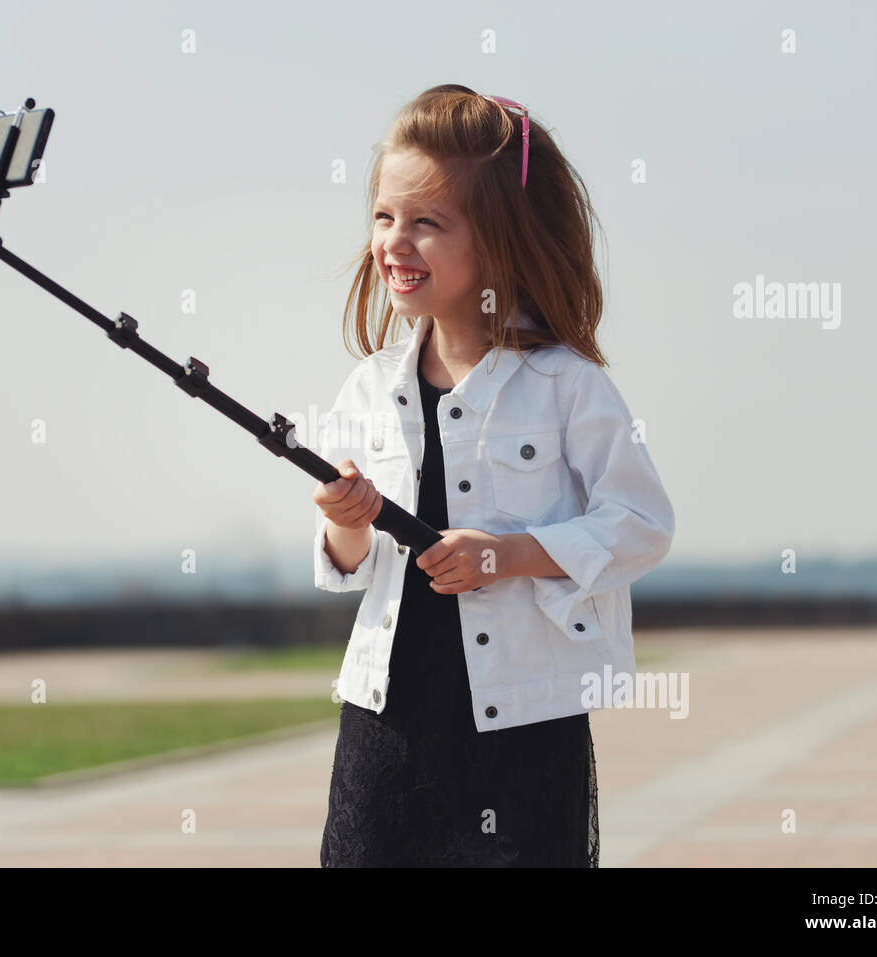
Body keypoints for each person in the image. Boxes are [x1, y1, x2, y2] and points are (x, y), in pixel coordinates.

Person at [310, 84, 676, 867]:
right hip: (384, 728)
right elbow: (347, 565)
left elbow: (642, 525)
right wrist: (345, 519)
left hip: (522, 735)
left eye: (427, 222)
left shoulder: (566, 384)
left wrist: (507, 555)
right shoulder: (368, 388)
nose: (394, 242)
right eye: (384, 216)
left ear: (501, 240)